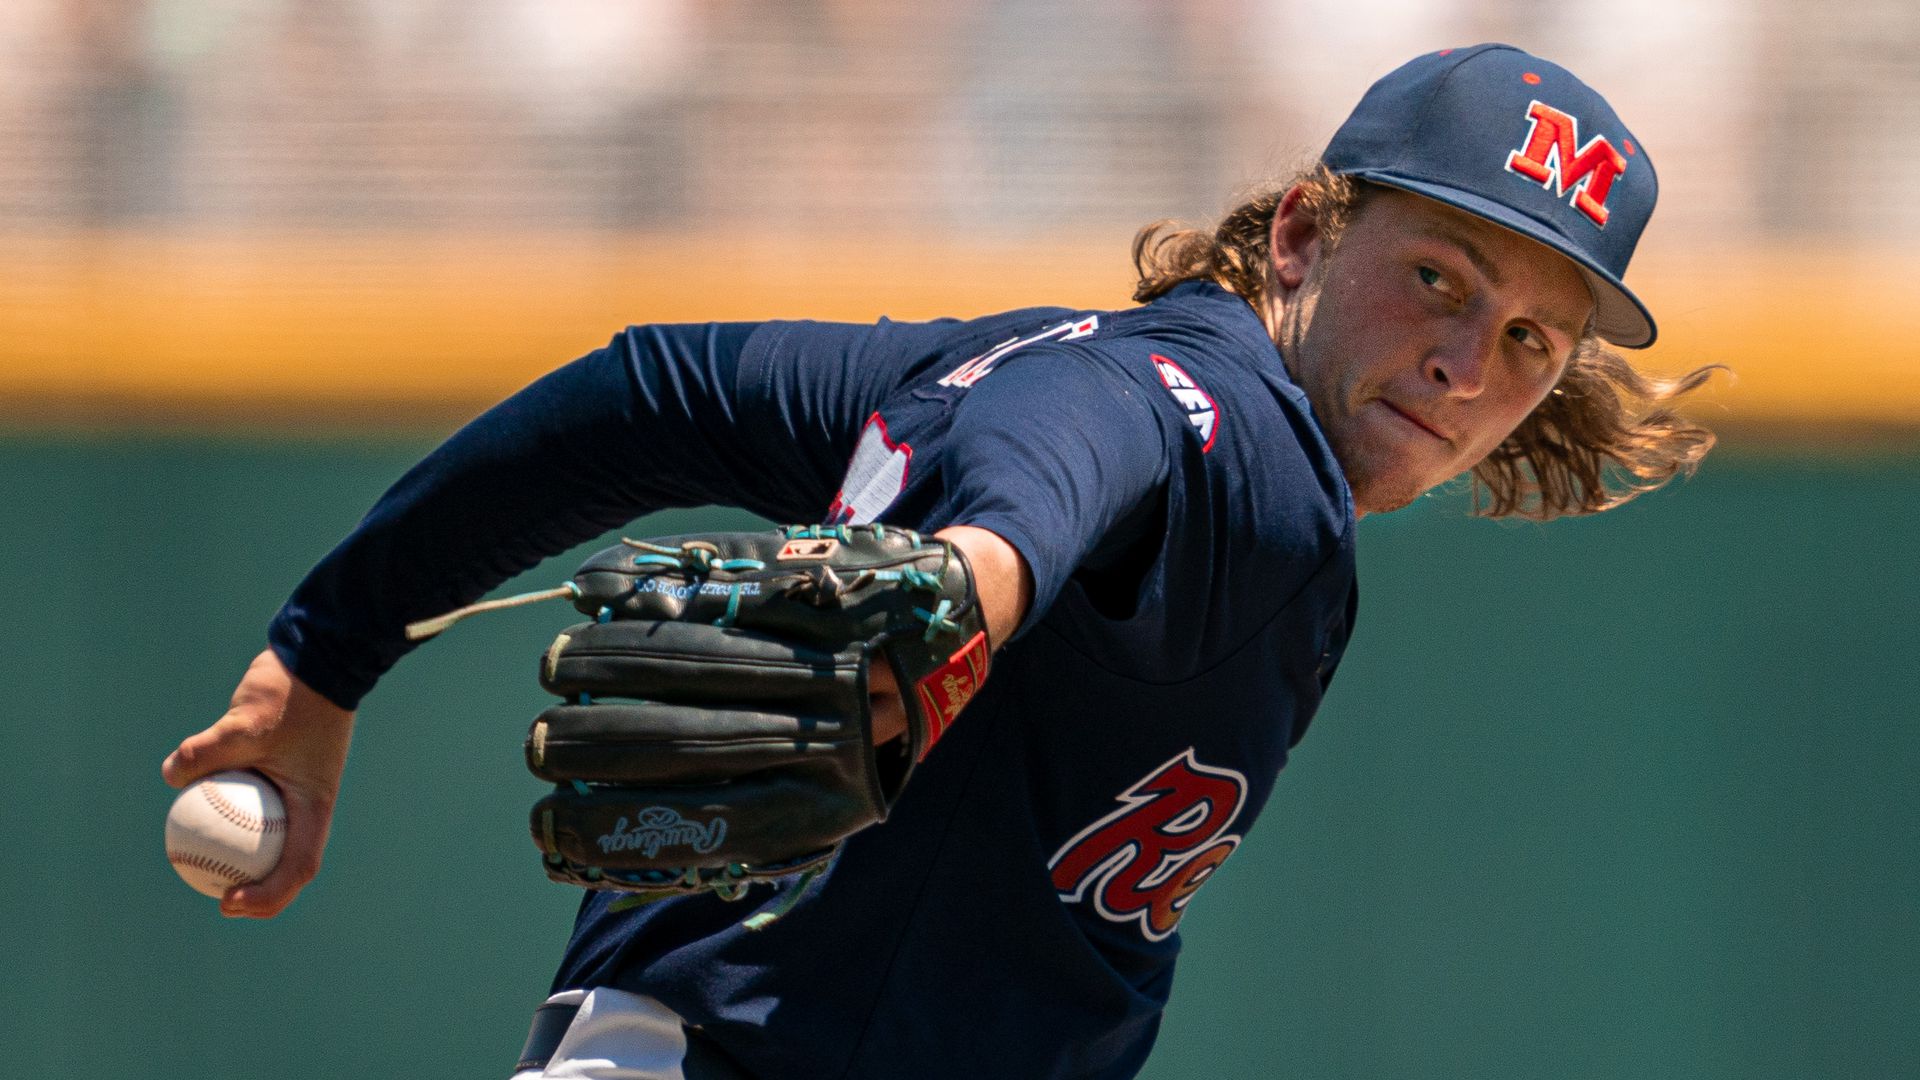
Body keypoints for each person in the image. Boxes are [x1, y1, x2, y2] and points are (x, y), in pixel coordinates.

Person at [162, 44, 1717, 1079]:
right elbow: (1095, 447)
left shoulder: (984, 363)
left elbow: (647, 396)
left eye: (1527, 338)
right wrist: (978, 574)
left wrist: (323, 654)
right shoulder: (1223, 421)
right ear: (1305, 233)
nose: (1463, 364)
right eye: (1434, 276)